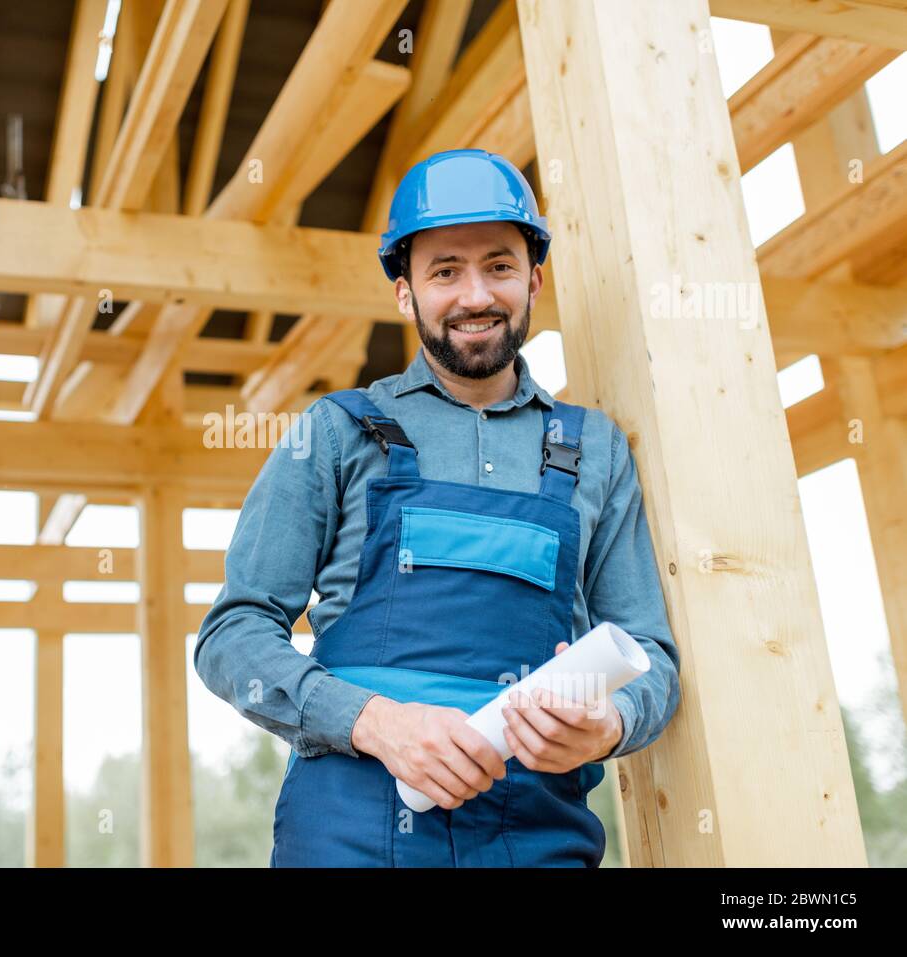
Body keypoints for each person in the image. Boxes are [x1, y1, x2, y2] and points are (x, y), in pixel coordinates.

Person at [194, 149, 681, 867]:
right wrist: (376, 722)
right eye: (445, 270)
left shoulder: (595, 449)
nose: (475, 294)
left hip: (536, 835)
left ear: (534, 281)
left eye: (499, 265)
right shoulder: (336, 432)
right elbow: (232, 634)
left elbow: (653, 653)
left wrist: (614, 721)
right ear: (405, 292)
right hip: (350, 829)